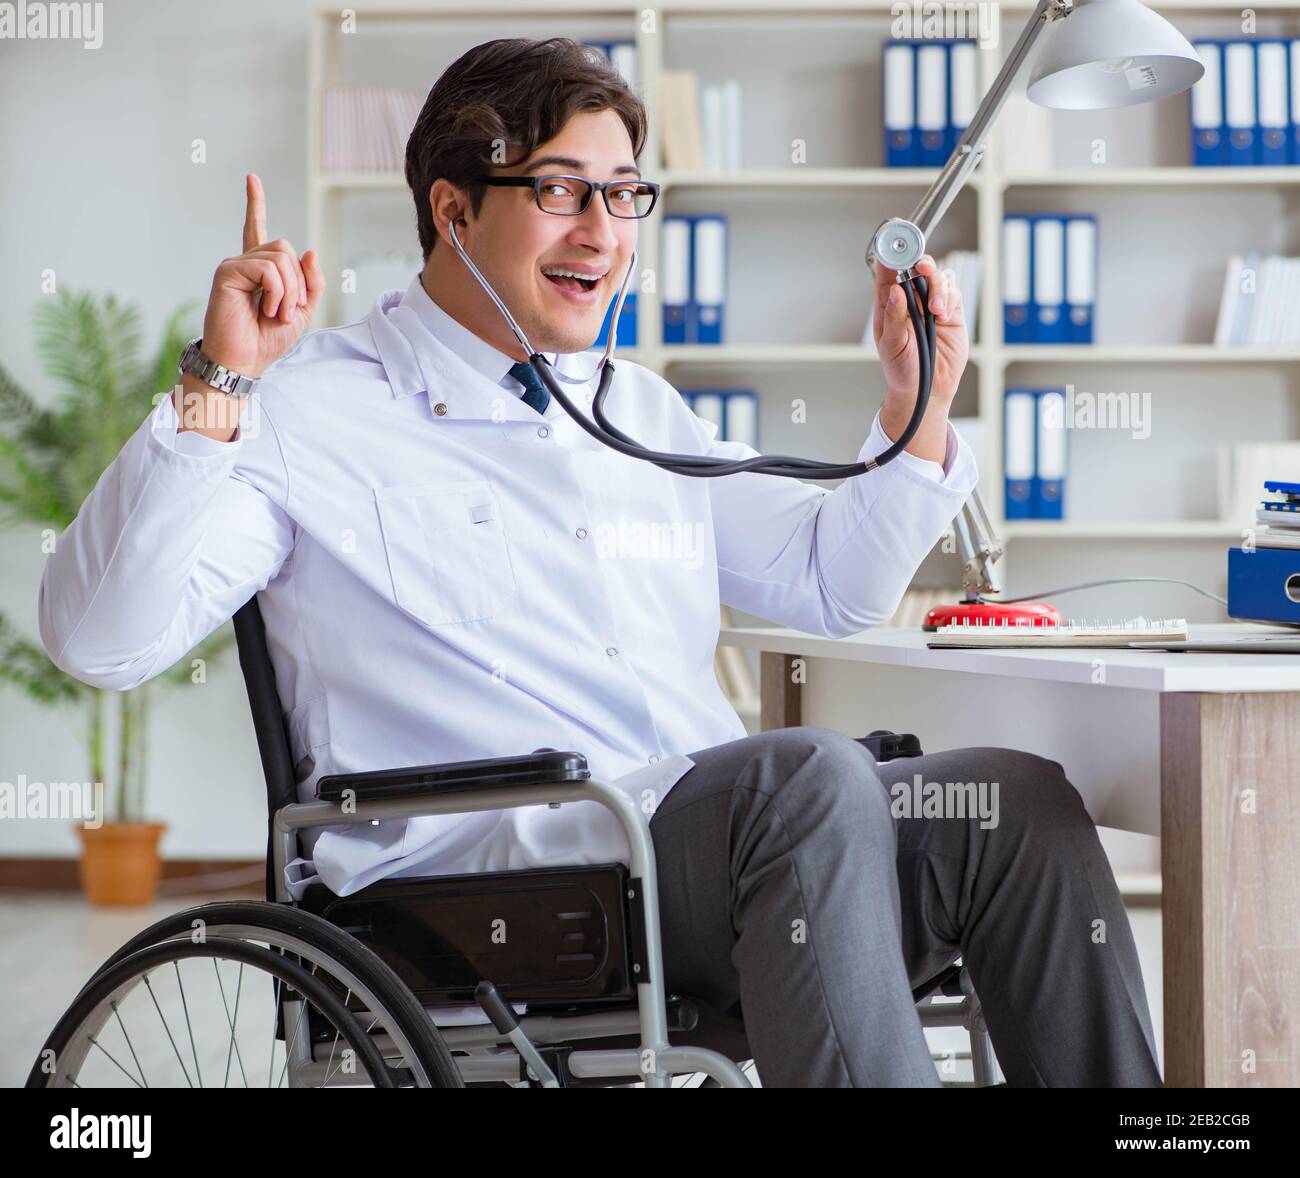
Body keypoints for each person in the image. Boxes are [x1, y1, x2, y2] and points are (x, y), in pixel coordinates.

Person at [37, 36, 1161, 1087]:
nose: (603, 231)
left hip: (709, 852)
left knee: (1013, 804)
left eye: (623, 195)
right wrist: (217, 386)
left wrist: (916, 407)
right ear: (453, 206)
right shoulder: (308, 407)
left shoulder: (636, 406)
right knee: (801, 779)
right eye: (562, 190)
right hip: (493, 884)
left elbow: (831, 582)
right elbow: (99, 639)